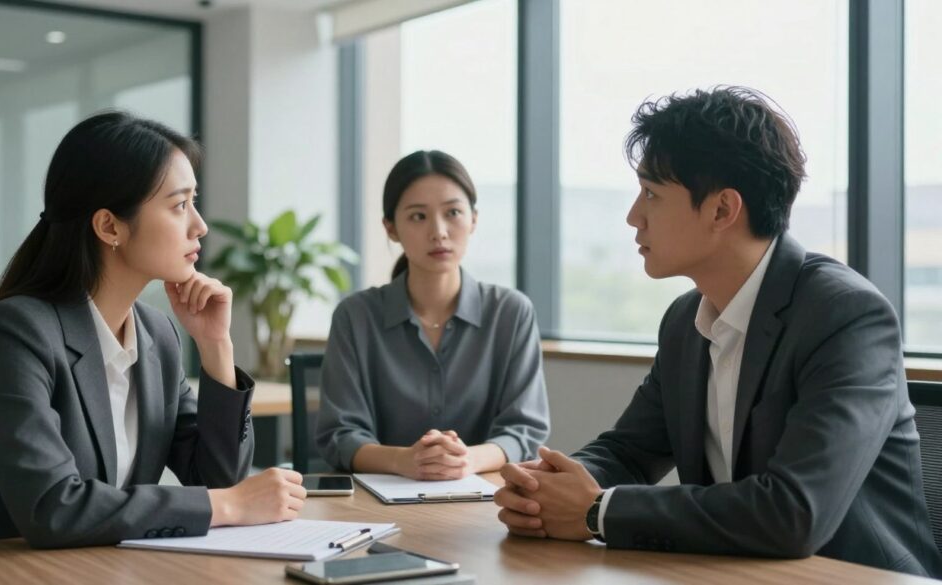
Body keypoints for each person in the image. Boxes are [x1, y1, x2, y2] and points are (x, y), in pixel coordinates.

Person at [494, 87, 942, 577]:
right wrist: (545, 490)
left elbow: (794, 512)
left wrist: (596, 511)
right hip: (733, 572)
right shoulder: (686, 321)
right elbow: (629, 450)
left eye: (651, 194)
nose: (633, 217)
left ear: (722, 210)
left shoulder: (846, 316)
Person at [0, 112, 306, 548]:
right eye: (179, 205)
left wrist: (215, 346)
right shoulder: (17, 332)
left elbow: (215, 478)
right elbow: (52, 508)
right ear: (110, 226)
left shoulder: (157, 335)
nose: (200, 225)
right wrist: (226, 506)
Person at [316, 150, 550, 480]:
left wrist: (466, 459)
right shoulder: (355, 317)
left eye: (453, 212)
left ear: (473, 219)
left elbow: (524, 429)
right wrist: (403, 461)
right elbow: (339, 435)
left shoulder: (511, 313)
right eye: (417, 216)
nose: (438, 231)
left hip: (485, 503)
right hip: (374, 505)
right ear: (391, 228)